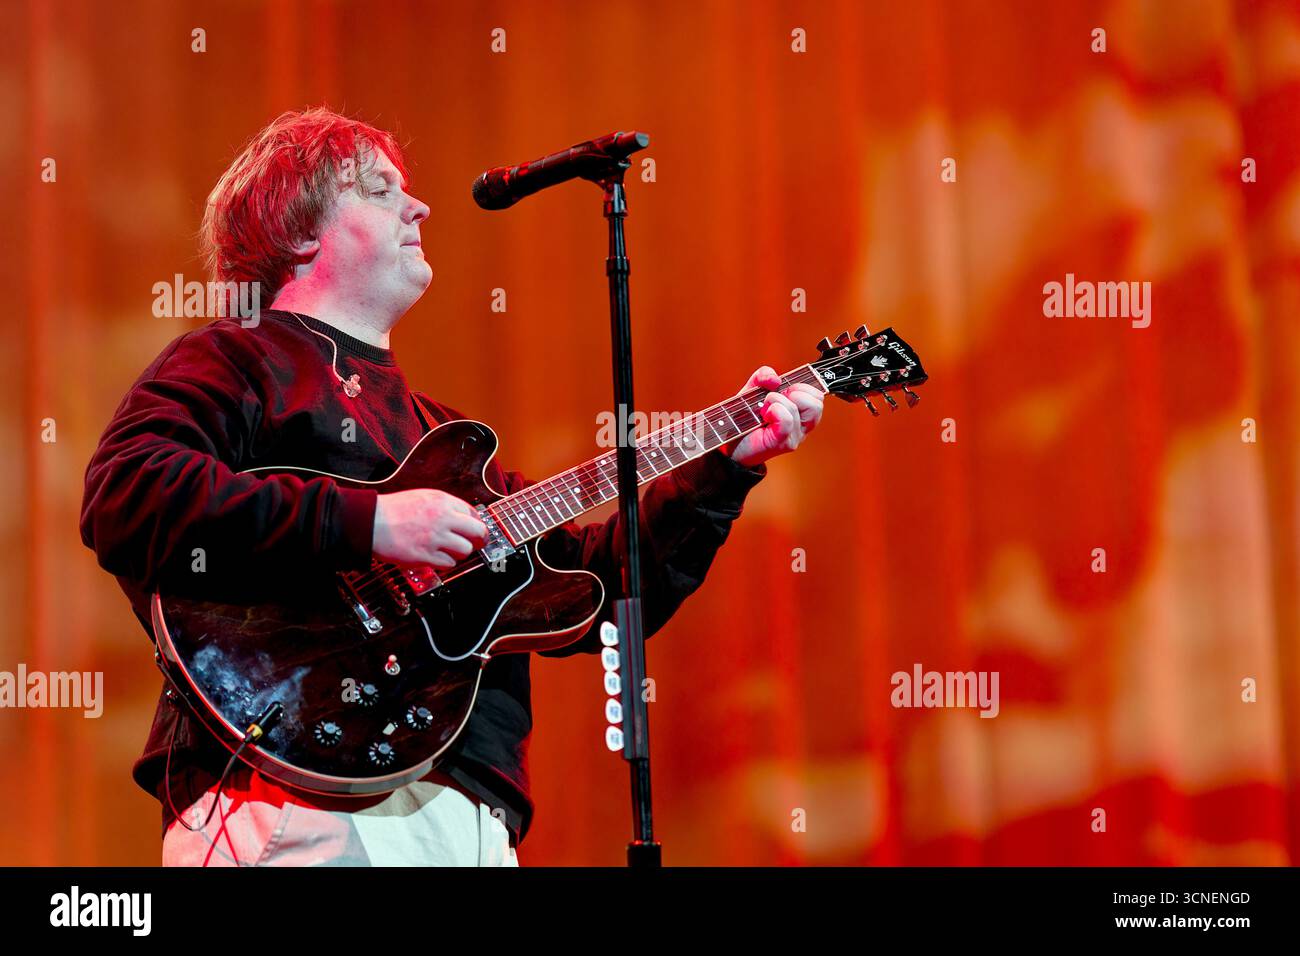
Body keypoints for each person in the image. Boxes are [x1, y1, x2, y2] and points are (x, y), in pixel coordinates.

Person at [79, 107, 824, 866]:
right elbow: (128, 493)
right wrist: (369, 522)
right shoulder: (233, 361)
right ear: (300, 231)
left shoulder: (449, 440)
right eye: (378, 189)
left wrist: (726, 468)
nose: (419, 206)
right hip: (293, 799)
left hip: (469, 813)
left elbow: (607, 587)